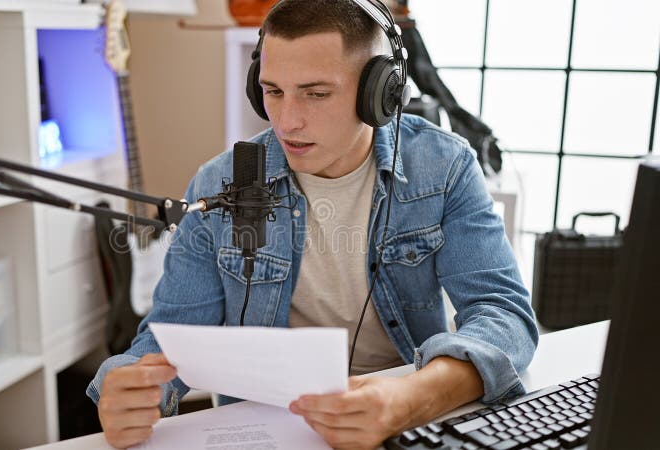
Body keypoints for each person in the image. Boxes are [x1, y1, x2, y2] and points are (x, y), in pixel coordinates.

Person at [87, 1, 538, 449]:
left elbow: (504, 314)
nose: (288, 121)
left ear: (379, 94)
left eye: (316, 93)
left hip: (401, 416)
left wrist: (410, 398)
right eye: (273, 91)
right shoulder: (223, 183)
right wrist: (132, 385)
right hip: (265, 429)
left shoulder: (443, 167)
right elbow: (171, 334)